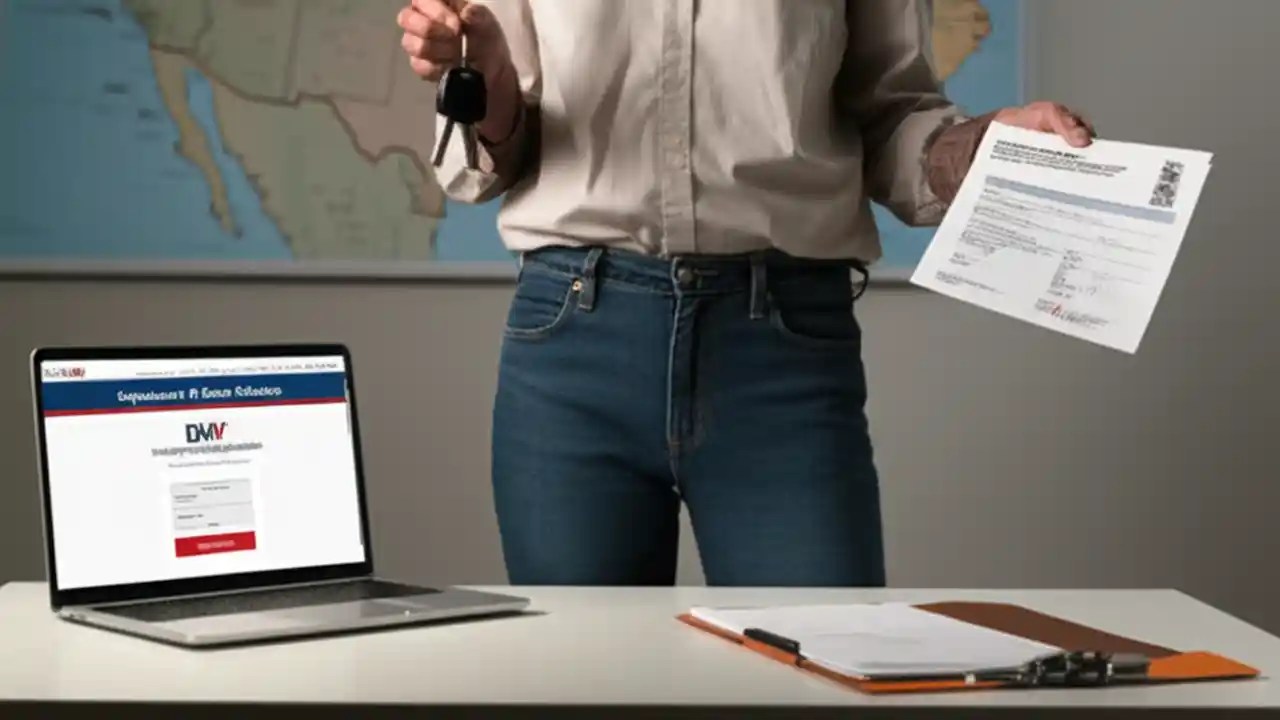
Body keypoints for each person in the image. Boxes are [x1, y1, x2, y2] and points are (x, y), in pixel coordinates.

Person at [396, 0, 1093, 587]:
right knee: (580, 683)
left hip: (782, 352)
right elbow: (490, 163)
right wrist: (484, 78)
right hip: (574, 345)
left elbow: (891, 117)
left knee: (826, 673)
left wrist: (985, 147)